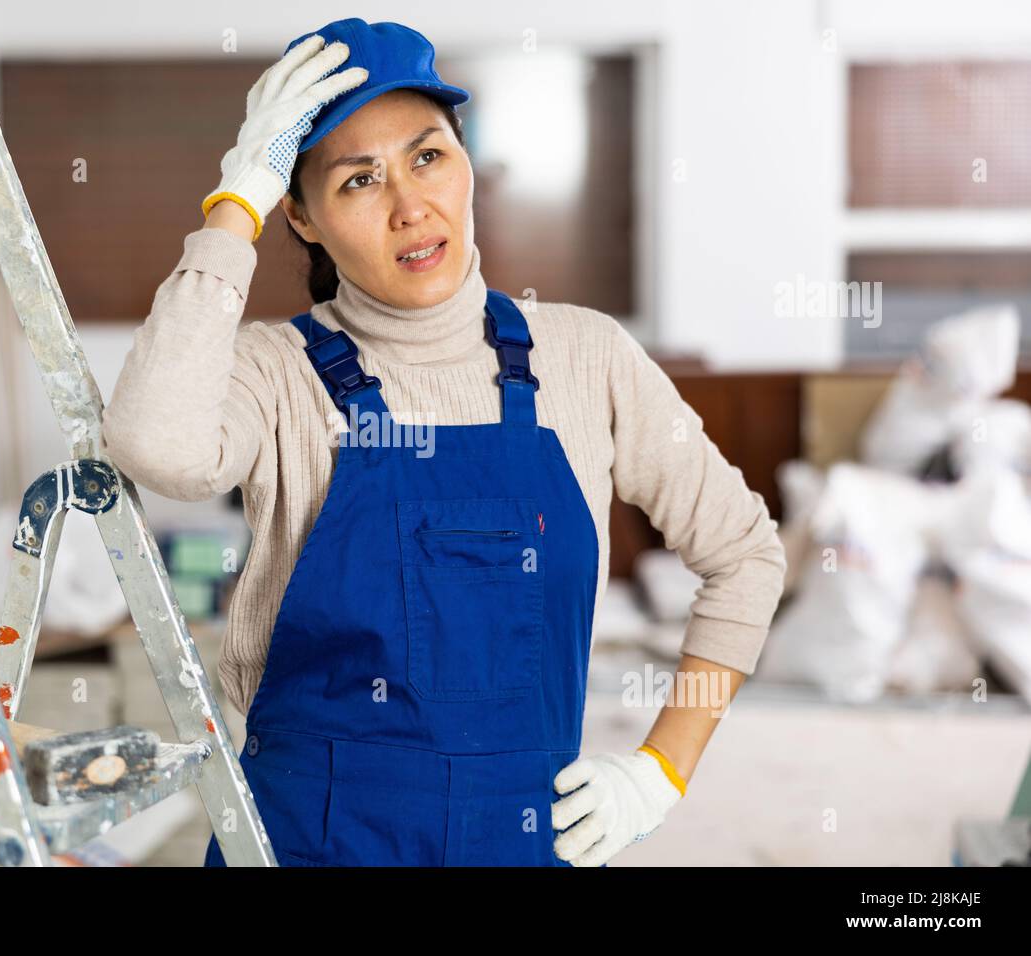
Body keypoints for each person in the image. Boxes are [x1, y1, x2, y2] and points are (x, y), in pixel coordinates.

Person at [102, 18, 787, 867]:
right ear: (304, 219)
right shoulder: (275, 371)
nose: (410, 206)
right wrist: (234, 201)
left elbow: (747, 554)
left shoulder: (586, 356)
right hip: (303, 842)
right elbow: (150, 445)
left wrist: (661, 768)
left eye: (428, 157)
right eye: (358, 181)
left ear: (466, 163)